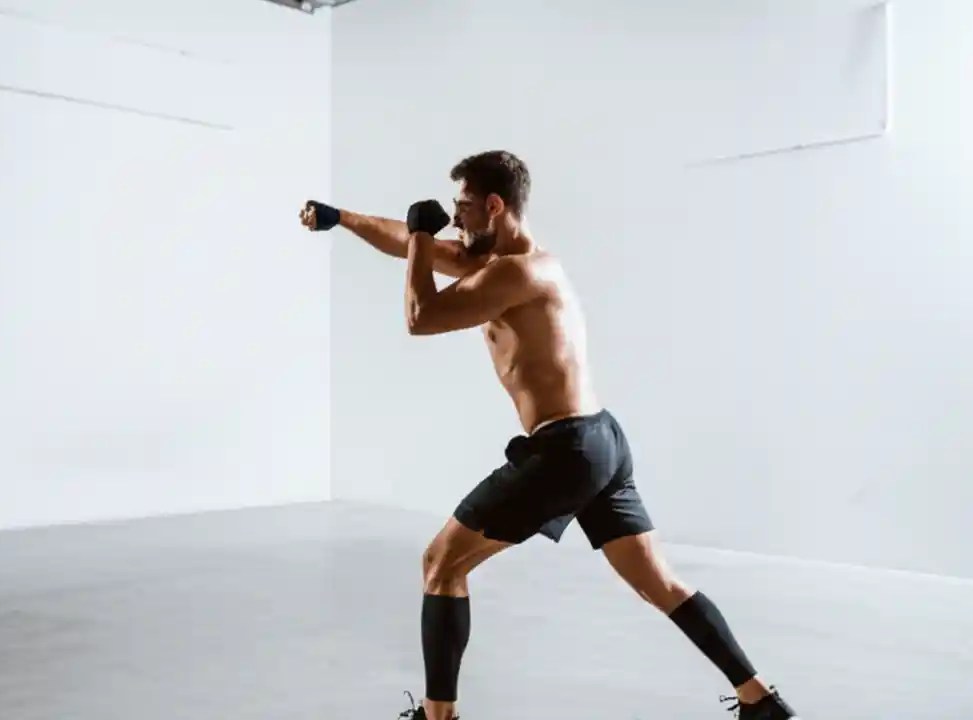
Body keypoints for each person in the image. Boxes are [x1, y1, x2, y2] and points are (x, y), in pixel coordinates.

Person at [299, 150, 799, 720]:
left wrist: (418, 235)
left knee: (442, 563)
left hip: (566, 451)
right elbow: (410, 243)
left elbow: (421, 316)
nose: (455, 220)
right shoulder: (506, 262)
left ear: (494, 205)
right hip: (602, 440)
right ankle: (760, 699)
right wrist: (342, 218)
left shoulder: (516, 273)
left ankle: (439, 718)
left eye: (462, 207)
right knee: (658, 583)